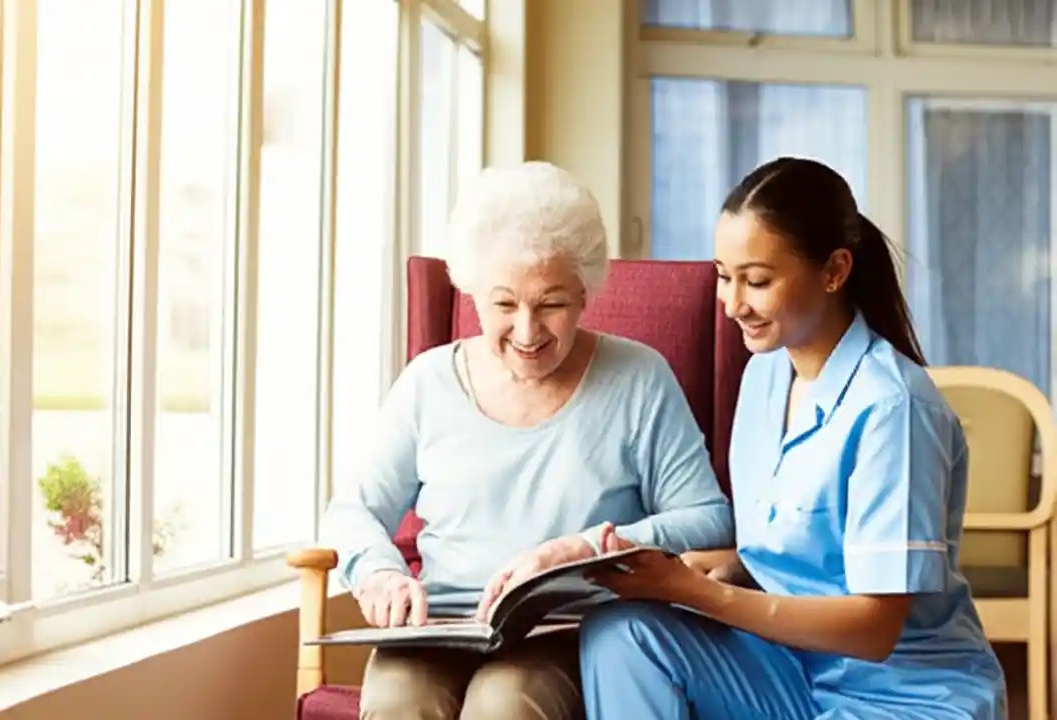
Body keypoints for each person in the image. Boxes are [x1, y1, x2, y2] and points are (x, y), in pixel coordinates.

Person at [578, 156, 1007, 719]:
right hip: (794, 669)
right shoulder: (765, 375)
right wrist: (732, 566)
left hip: (904, 697)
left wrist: (692, 591)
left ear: (834, 270)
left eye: (756, 281)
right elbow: (808, 546)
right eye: (723, 276)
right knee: (622, 635)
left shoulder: (894, 408)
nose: (732, 304)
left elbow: (875, 629)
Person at [322, 161, 734, 720]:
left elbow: (708, 518)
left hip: (570, 627)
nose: (526, 331)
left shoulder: (639, 378)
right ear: (470, 294)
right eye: (503, 304)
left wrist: (591, 545)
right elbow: (354, 510)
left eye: (551, 304)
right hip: (438, 626)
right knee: (399, 703)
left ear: (586, 293)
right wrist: (378, 572)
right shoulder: (428, 381)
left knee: (504, 705)